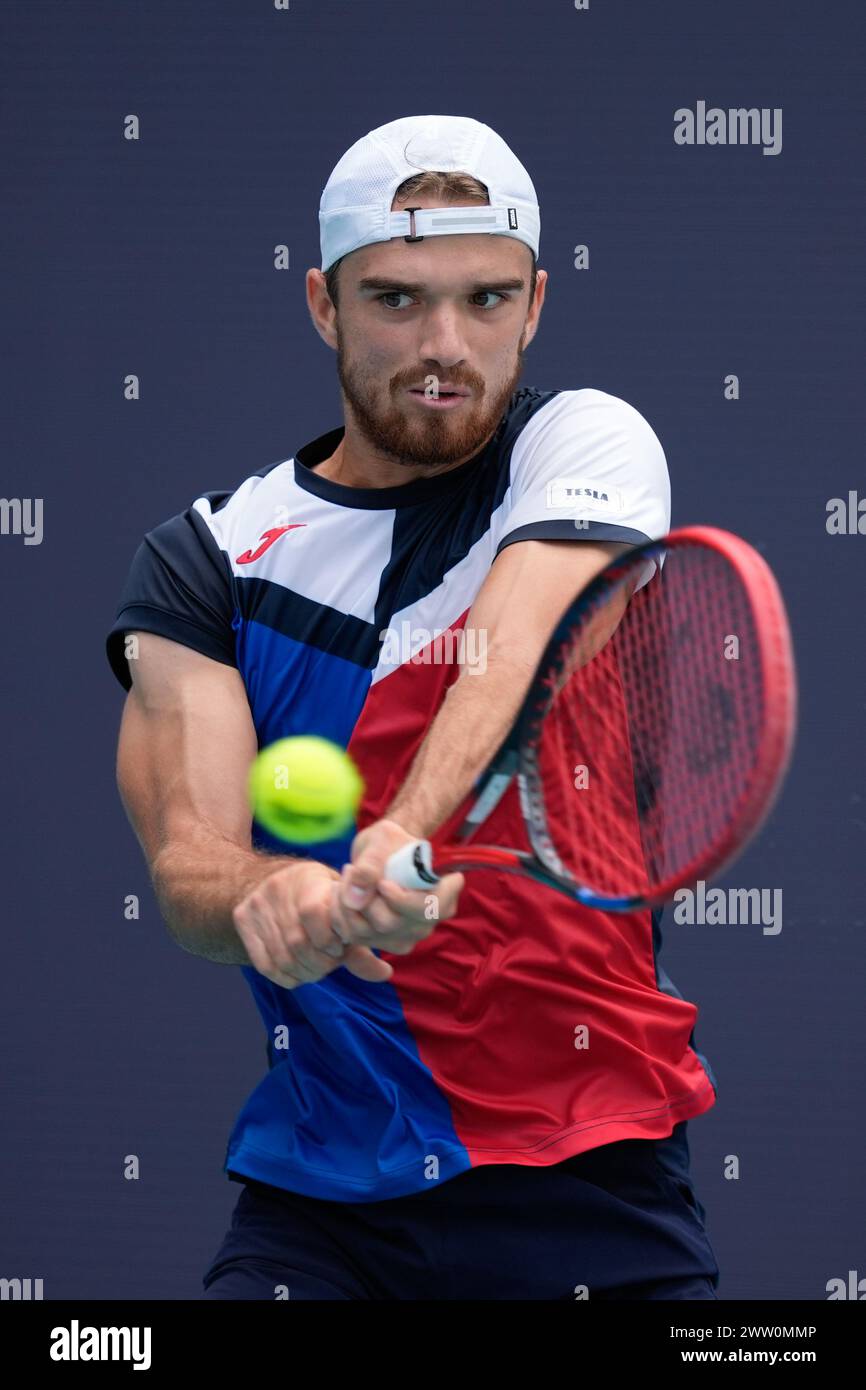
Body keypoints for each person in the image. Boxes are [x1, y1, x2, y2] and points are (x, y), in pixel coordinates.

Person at [106, 113, 720, 1300]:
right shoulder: (207, 561)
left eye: (485, 300)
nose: (444, 344)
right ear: (322, 305)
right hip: (325, 1206)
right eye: (394, 300)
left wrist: (400, 831)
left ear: (535, 305)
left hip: (594, 1181)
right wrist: (266, 897)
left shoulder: (583, 444)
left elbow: (513, 638)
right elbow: (189, 862)